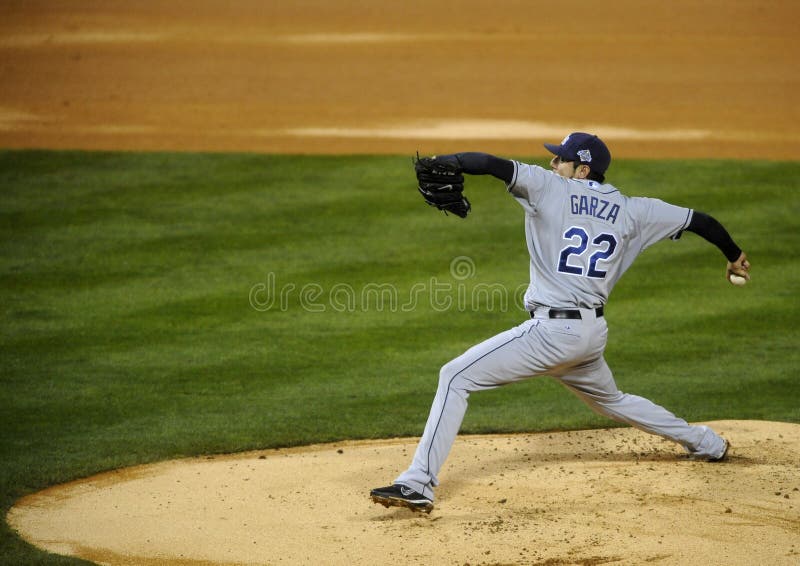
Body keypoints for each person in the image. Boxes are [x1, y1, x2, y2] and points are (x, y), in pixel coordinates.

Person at [370, 132, 750, 514]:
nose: (553, 164)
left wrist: (448, 159)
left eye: (560, 160)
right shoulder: (635, 210)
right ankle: (706, 443)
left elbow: (488, 163)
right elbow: (701, 221)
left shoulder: (550, 186)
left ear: (582, 170)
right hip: (590, 336)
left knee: (455, 376)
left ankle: (418, 482)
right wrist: (734, 256)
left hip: (552, 334)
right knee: (612, 400)